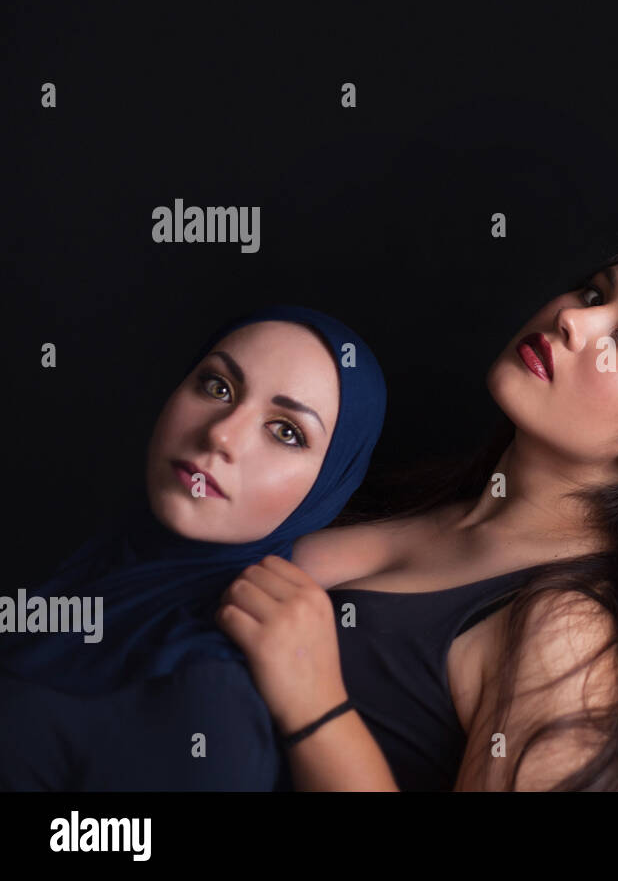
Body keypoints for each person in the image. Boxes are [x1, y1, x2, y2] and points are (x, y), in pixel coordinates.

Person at [217, 238, 618, 790]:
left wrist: (316, 709)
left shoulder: (569, 636)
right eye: (594, 295)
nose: (573, 318)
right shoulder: (422, 496)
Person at [0, 305, 386, 790]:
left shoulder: (207, 694)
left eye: (286, 432)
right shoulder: (100, 563)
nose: (221, 434)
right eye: (217, 387)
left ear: (326, 488)